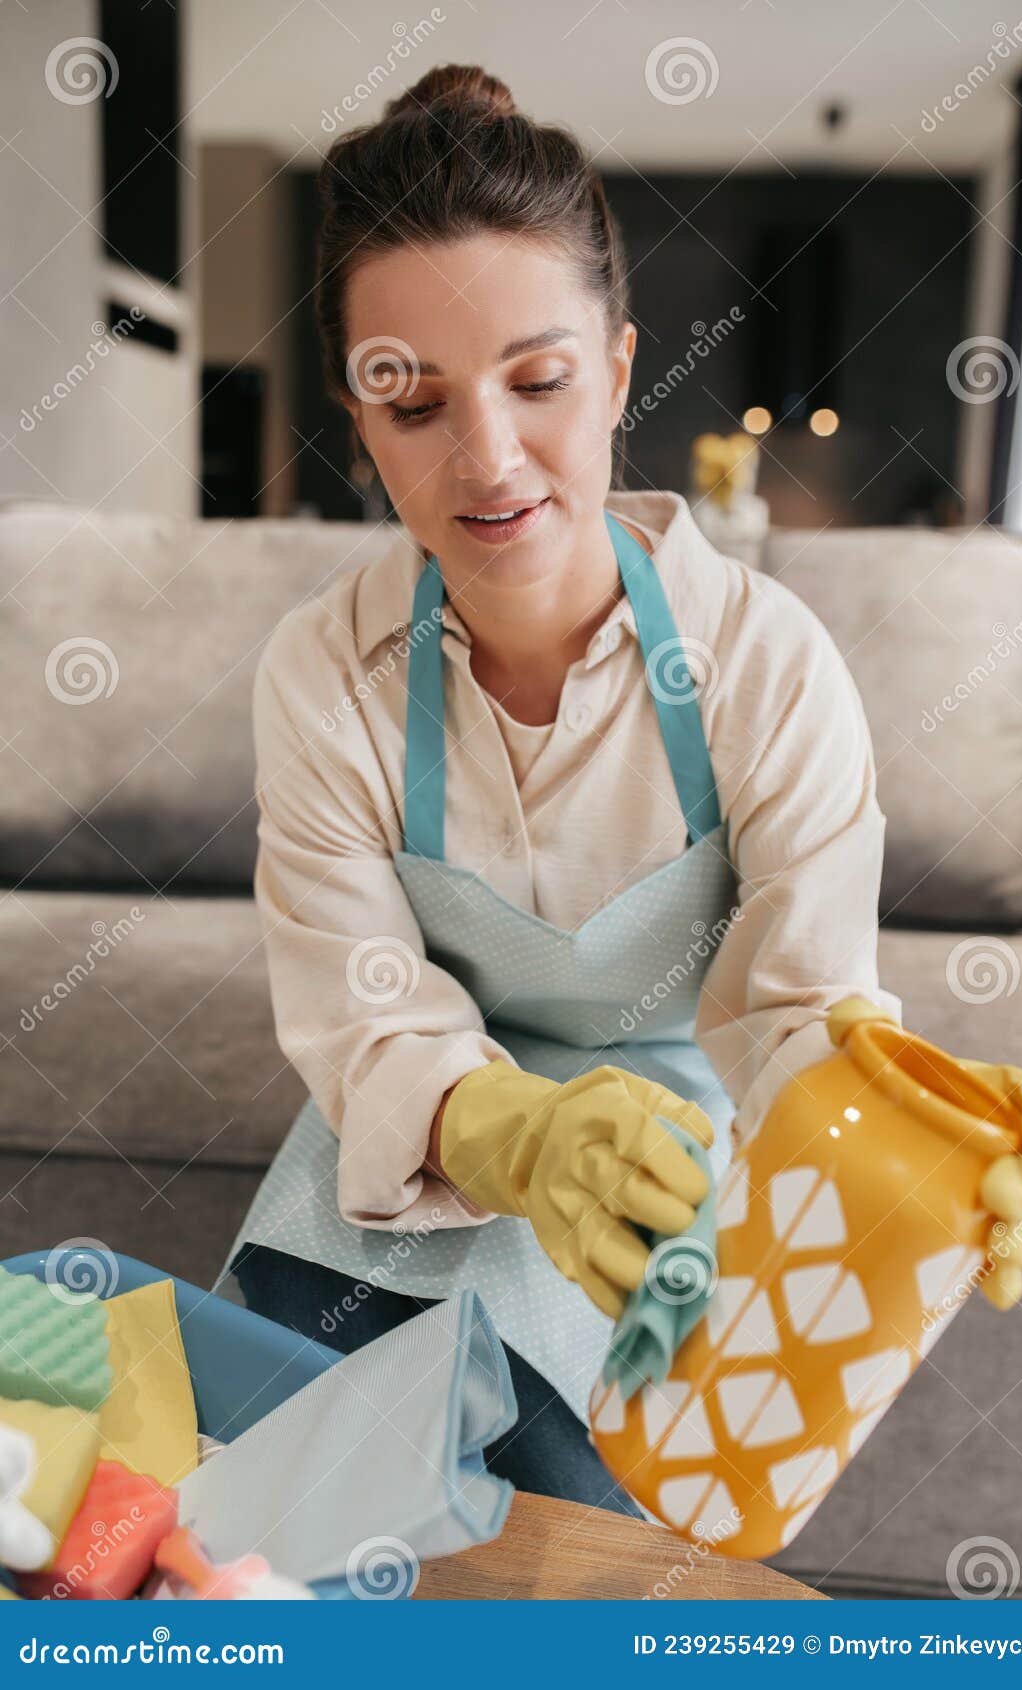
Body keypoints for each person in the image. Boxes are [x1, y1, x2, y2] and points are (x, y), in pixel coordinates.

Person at [220, 61, 909, 1516]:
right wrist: (512, 1131)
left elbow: (803, 1015)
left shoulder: (761, 662)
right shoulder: (325, 673)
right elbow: (367, 1013)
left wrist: (921, 1138)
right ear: (358, 419)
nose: (488, 460)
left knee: (566, 1537)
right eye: (414, 403)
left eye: (538, 383)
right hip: (415, 1141)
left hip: (662, 1176)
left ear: (618, 366)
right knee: (266, 1507)